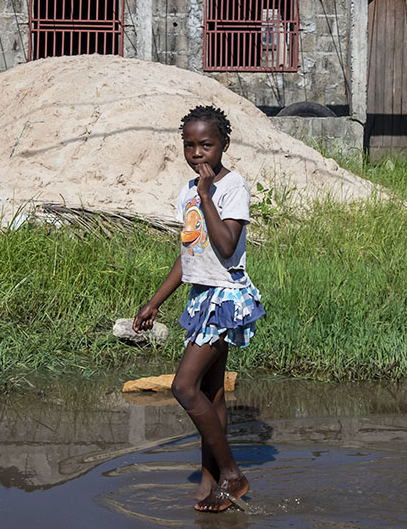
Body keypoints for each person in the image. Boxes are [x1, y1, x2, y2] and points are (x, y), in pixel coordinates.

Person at [133, 104, 265, 513]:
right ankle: (211, 483)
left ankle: (232, 475)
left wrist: (207, 195)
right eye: (189, 146)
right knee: (212, 393)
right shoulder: (188, 191)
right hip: (201, 295)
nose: (197, 154)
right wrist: (155, 301)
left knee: (183, 387)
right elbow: (188, 255)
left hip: (225, 297)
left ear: (223, 144)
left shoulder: (230, 187)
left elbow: (226, 245)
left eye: (206, 145)